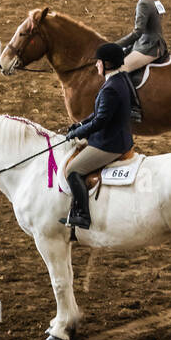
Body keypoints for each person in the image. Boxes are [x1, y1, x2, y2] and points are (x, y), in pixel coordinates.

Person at [62, 42, 134, 231]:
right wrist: (80, 124)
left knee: (72, 169)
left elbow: (101, 121)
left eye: (99, 62)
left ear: (107, 64)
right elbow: (98, 114)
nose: (96, 65)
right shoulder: (121, 79)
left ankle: (83, 215)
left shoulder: (111, 88)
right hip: (118, 135)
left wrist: (78, 133)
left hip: (110, 143)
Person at [116, 0, 169, 75]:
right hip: (158, 43)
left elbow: (138, 32)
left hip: (150, 47)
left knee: (119, 71)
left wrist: (117, 45)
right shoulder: (155, 0)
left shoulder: (143, 4)